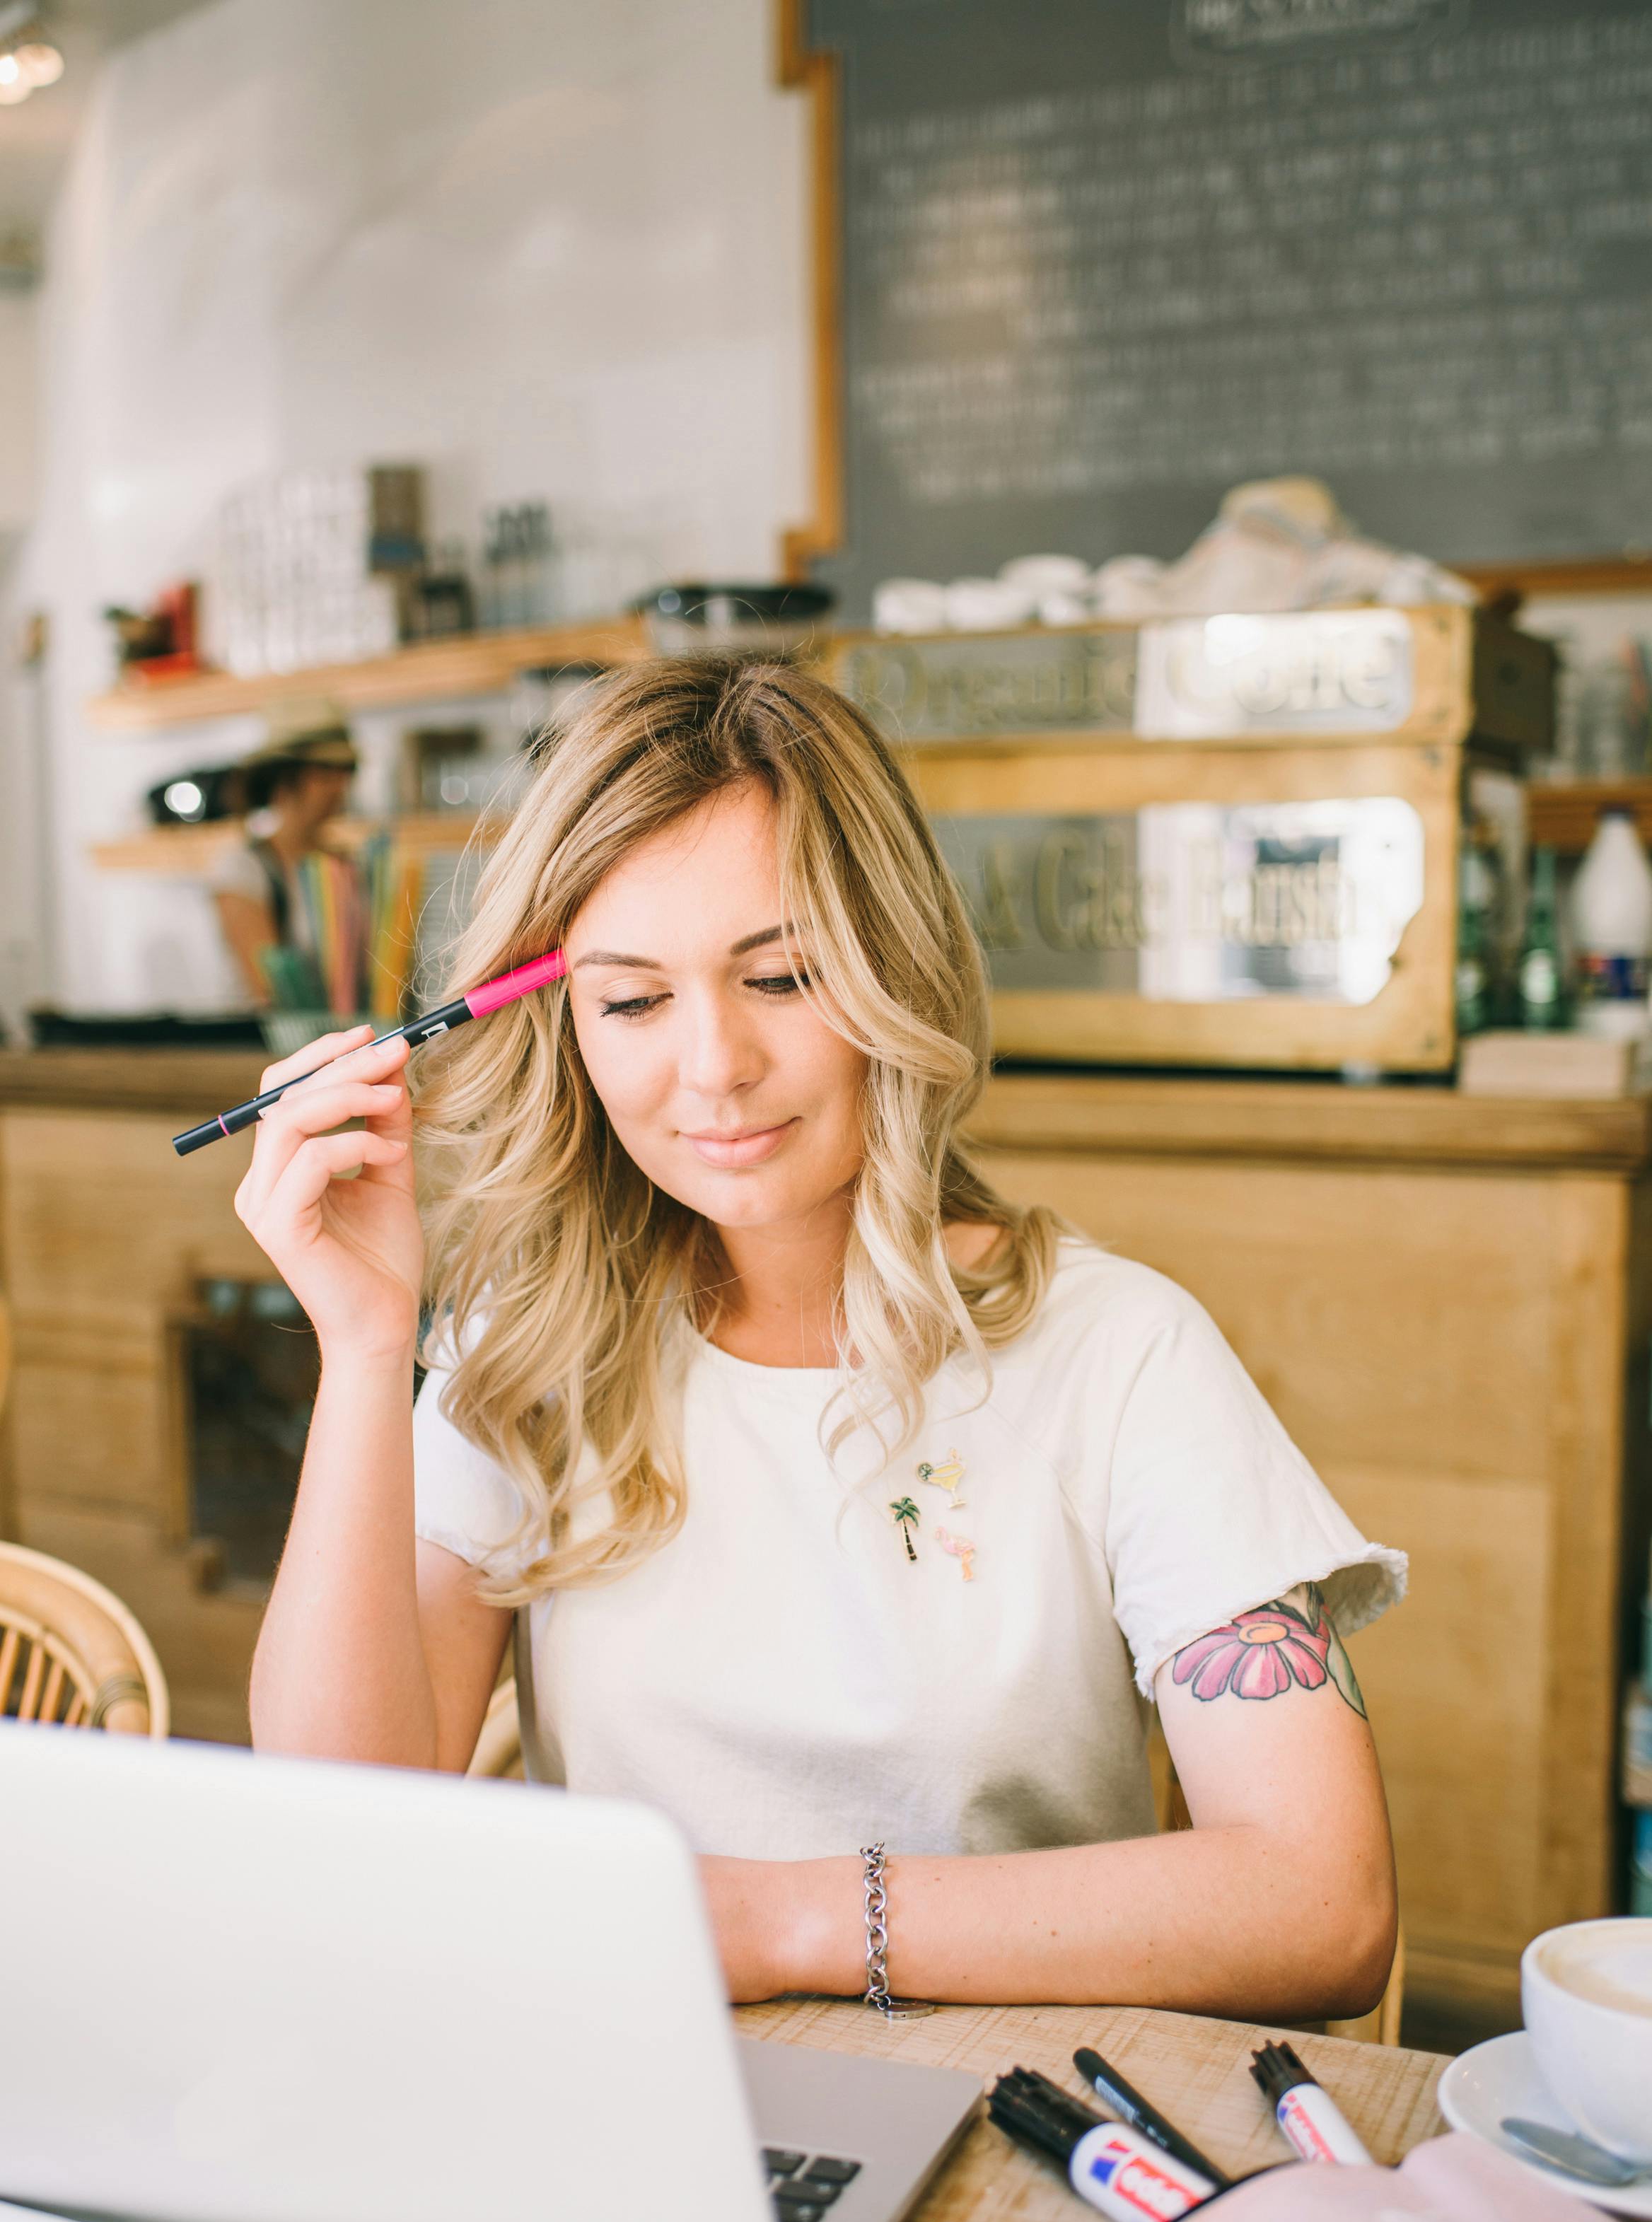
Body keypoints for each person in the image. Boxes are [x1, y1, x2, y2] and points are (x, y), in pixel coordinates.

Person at [238, 656, 1403, 2022]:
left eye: (781, 976)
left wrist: (777, 1919)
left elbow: (1323, 1906)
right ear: (563, 1025)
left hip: (1021, 2112)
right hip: (632, 2092)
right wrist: (368, 1346)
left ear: (890, 970)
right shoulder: (529, 1346)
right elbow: (341, 1830)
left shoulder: (1120, 1353)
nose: (714, 1065)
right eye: (631, 1000)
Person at [209, 702, 359, 1001]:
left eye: (345, 772)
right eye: (324, 772)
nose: (339, 786)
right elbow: (269, 989)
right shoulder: (245, 869)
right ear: (284, 777)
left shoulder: (350, 864)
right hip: (265, 1045)